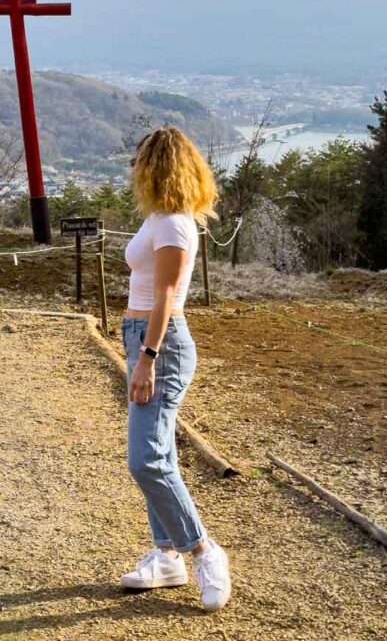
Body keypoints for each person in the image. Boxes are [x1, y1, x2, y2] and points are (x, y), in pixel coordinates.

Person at [118, 126, 232, 613]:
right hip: (140, 338)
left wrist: (147, 356)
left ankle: (204, 551)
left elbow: (166, 296)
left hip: (159, 345)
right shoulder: (160, 219)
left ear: (157, 166)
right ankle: (166, 557)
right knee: (158, 451)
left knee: (145, 459)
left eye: (141, 161)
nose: (134, 170)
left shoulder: (174, 225)